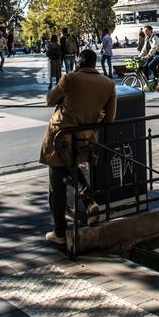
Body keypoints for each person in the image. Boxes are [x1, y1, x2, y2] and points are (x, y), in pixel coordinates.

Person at [40, 48, 117, 243]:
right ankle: (88, 200)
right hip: (85, 139)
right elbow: (110, 118)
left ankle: (59, 232)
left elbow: (49, 100)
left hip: (61, 139)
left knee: (56, 184)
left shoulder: (70, 79)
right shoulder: (108, 84)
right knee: (71, 168)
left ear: (79, 62)